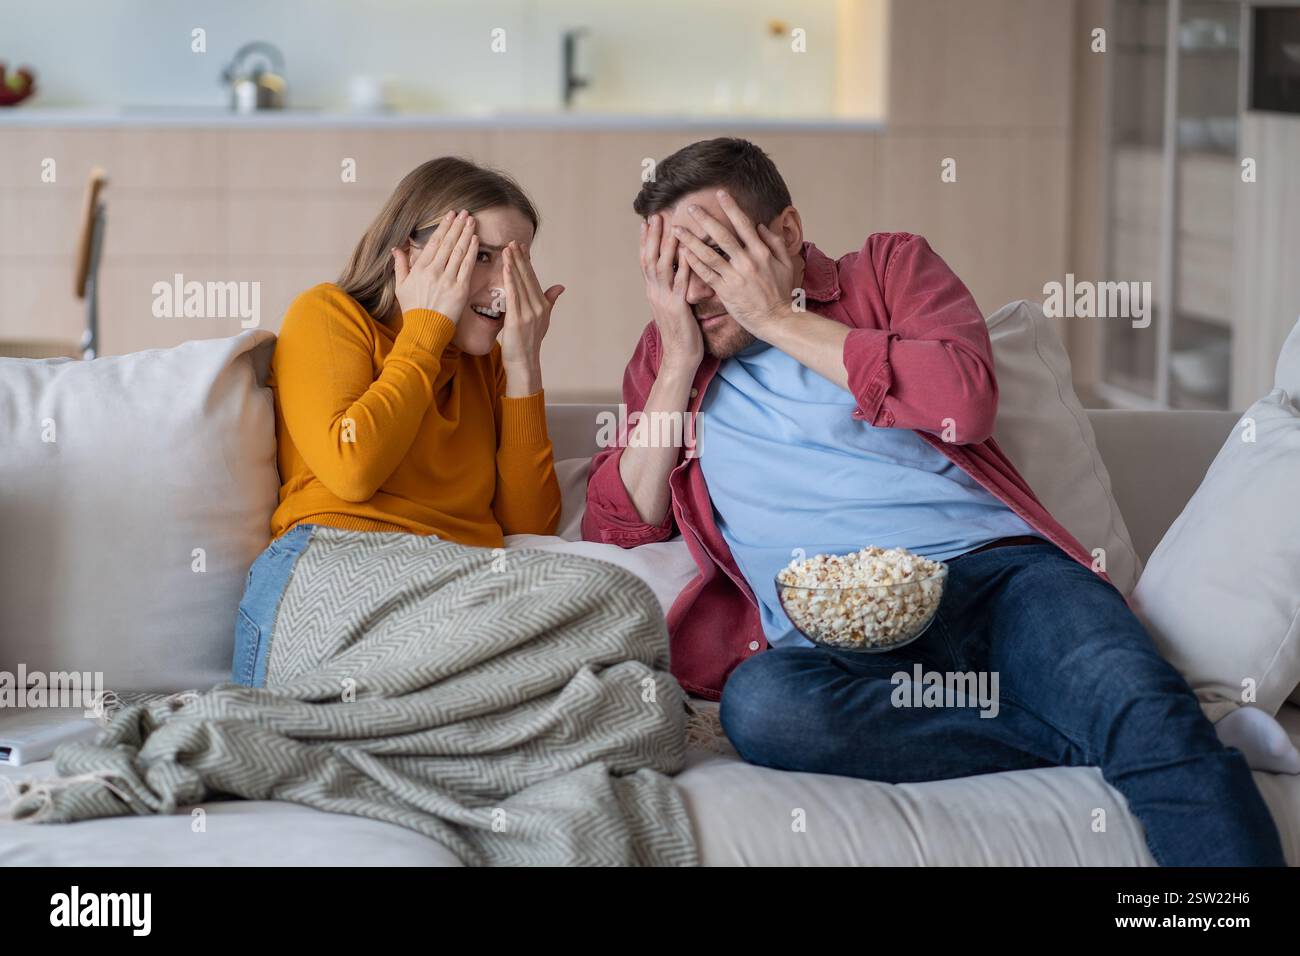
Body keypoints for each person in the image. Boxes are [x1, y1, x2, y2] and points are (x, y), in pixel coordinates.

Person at [583, 136, 1285, 866]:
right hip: (834, 643)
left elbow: (963, 400)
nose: (693, 291)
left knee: (1125, 692)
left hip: (1002, 581)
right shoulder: (670, 353)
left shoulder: (888, 269)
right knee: (763, 709)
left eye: (716, 259)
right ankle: (1141, 730)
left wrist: (776, 320)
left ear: (785, 234)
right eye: (671, 269)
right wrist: (674, 365)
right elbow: (620, 525)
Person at [233, 157, 563, 688]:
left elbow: (530, 529)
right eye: (481, 256)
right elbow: (353, 469)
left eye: (517, 262)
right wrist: (425, 326)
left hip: (455, 585)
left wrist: (524, 364)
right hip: (336, 562)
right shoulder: (329, 313)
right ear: (409, 254)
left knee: (620, 613)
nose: (506, 286)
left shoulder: (492, 368)